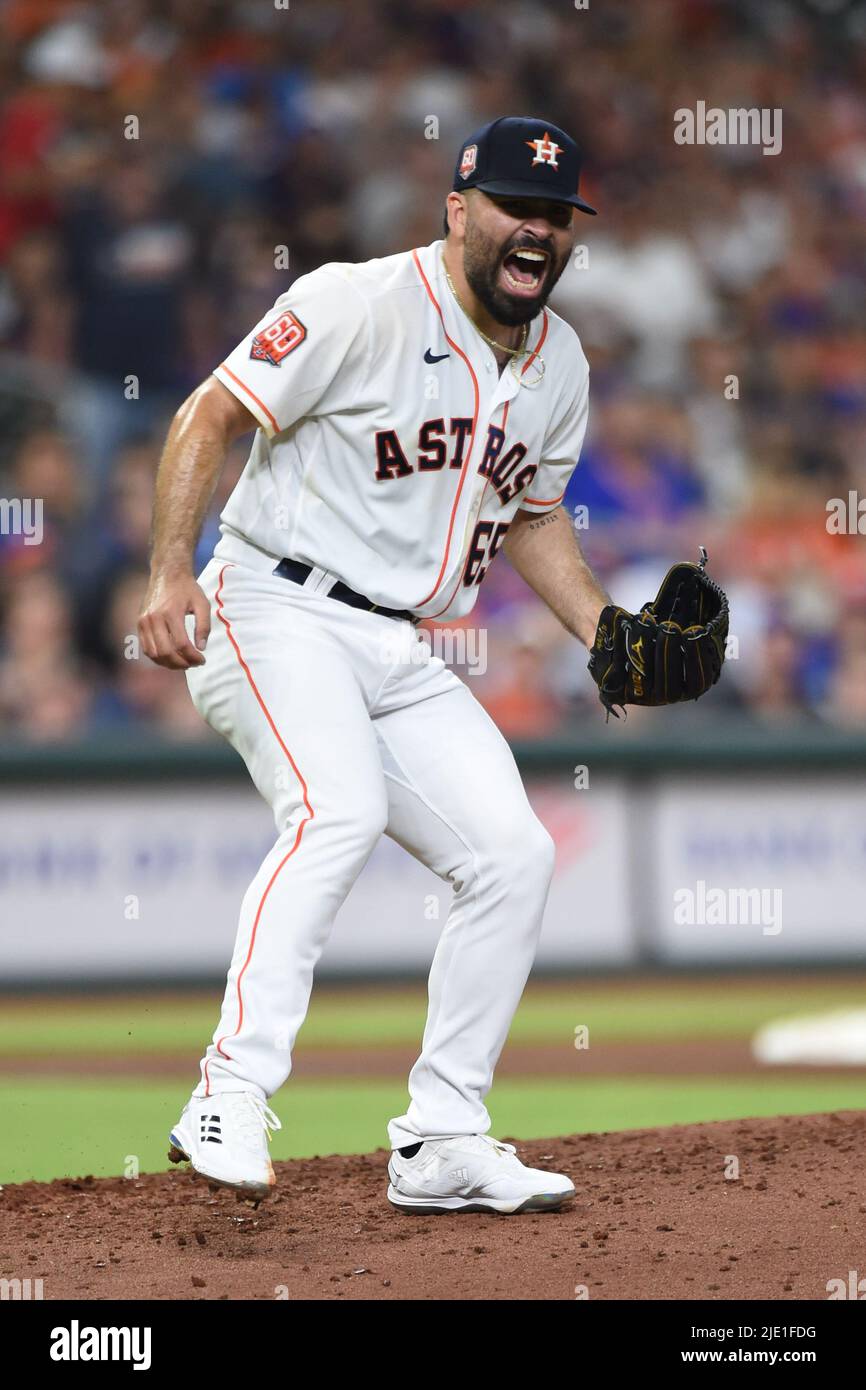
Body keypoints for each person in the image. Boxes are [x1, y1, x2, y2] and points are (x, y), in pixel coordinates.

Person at [139, 116, 607, 1215]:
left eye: (552, 214)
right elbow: (209, 414)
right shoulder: (355, 301)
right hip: (272, 601)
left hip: (398, 643)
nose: (533, 229)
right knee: (335, 809)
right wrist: (169, 571)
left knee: (512, 854)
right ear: (456, 210)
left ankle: (441, 1135)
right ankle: (227, 1088)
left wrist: (605, 633)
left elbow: (530, 517)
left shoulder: (562, 362)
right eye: (510, 205)